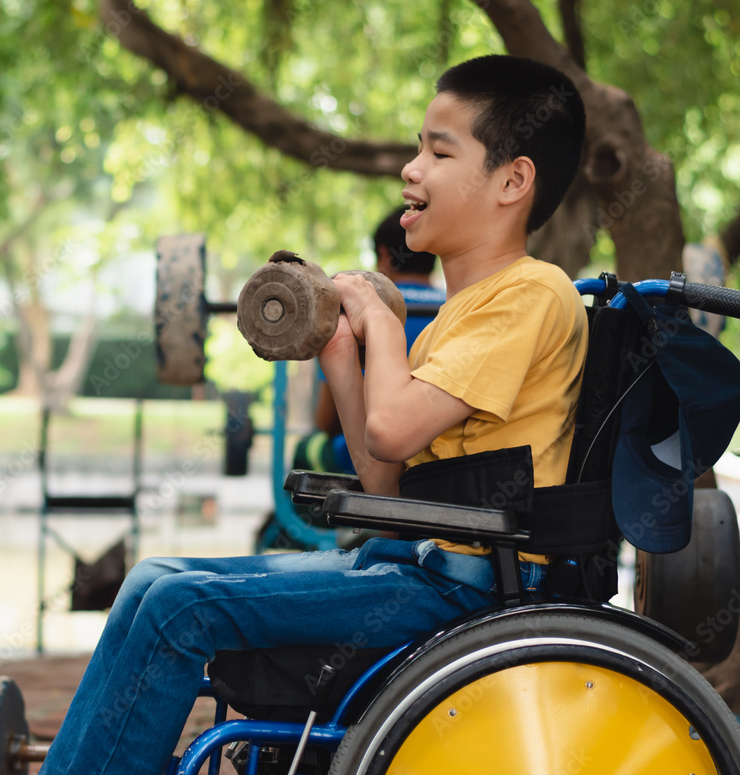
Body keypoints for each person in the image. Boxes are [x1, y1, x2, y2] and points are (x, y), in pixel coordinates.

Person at [39, 54, 588, 775]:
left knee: (179, 606)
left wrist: (383, 322)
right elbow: (385, 479)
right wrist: (337, 348)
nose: (411, 169)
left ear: (512, 182)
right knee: (151, 577)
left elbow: (391, 428)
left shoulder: (532, 294)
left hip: (469, 586)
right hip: (419, 563)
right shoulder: (466, 312)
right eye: (418, 147)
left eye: (439, 151)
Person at [303, 206, 445, 475]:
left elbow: (327, 421)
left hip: (371, 455)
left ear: (384, 254)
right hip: (440, 459)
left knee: (305, 450)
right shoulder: (457, 310)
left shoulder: (355, 313)